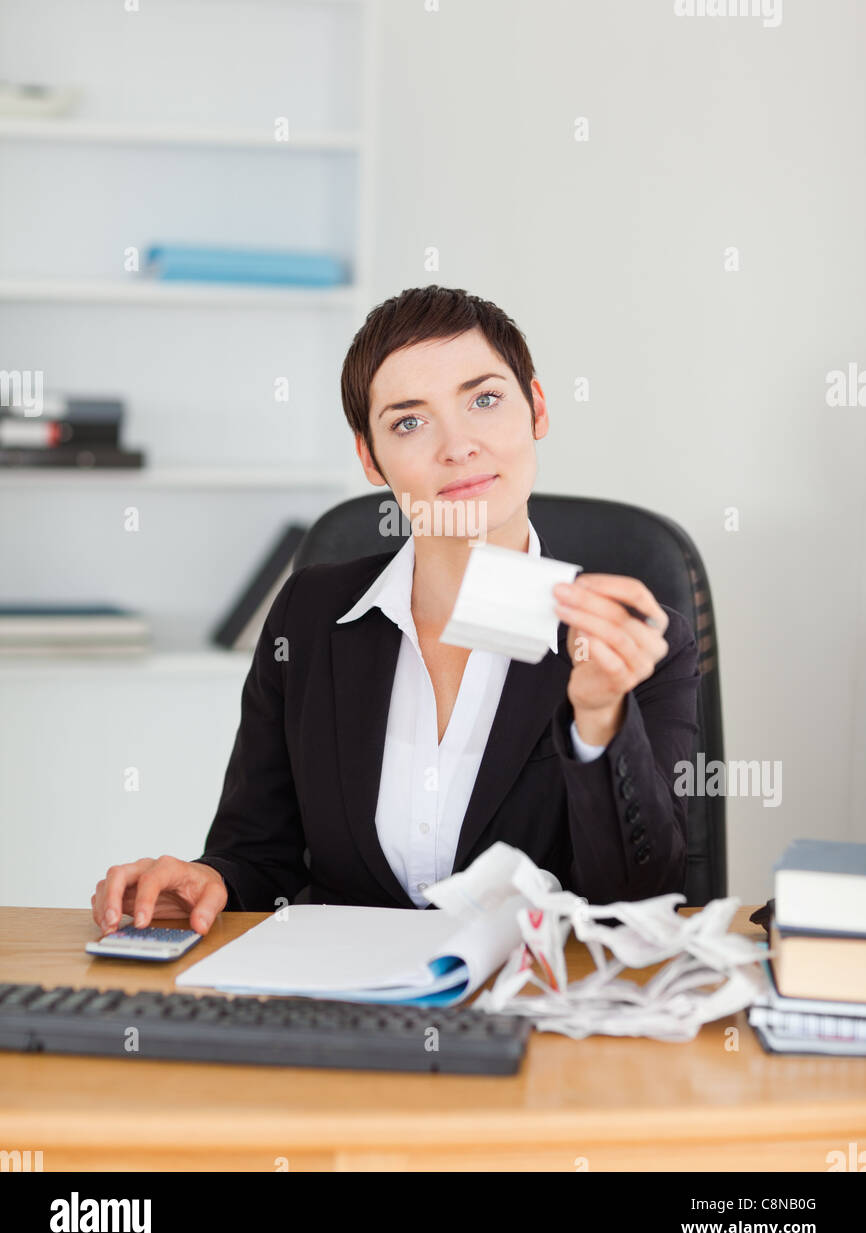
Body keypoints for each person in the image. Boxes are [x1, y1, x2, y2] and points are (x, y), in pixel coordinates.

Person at [91, 286, 700, 936]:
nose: (457, 446)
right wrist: (209, 882)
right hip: (345, 1009)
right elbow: (257, 857)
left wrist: (601, 718)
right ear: (369, 457)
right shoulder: (309, 615)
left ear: (538, 407)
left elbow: (640, 900)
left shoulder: (627, 637)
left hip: (541, 1015)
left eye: (484, 399)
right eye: (409, 421)